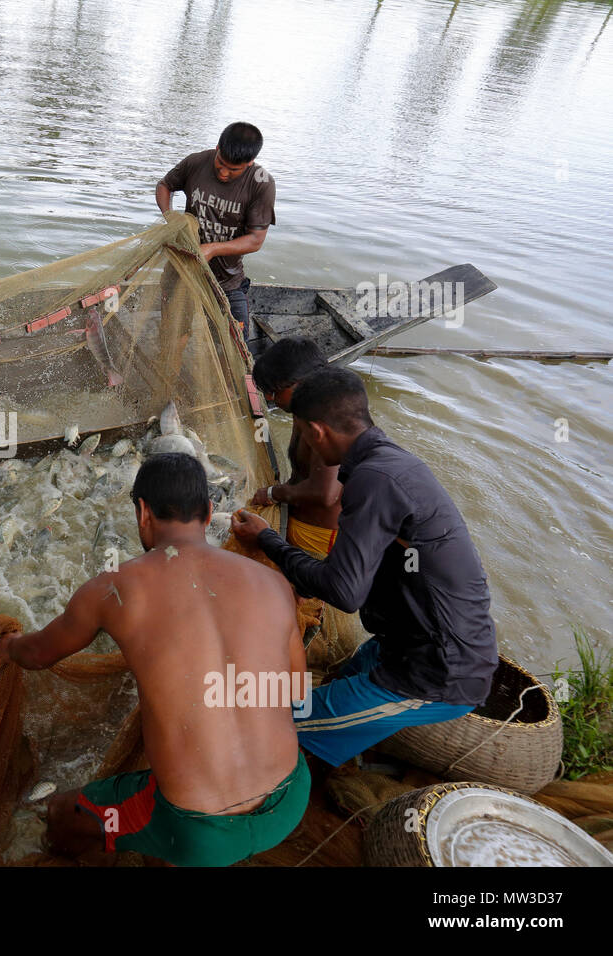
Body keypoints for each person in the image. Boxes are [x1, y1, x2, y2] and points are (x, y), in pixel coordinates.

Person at [0, 454, 310, 866]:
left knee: (60, 814)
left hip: (197, 831)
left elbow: (36, 655)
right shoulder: (273, 582)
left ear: (143, 512)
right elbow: (299, 692)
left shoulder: (111, 588)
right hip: (290, 800)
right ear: (209, 512)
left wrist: (5, 644)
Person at [230, 367, 499, 766]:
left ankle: (296, 767)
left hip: (434, 673)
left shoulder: (374, 479)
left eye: (302, 434)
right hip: (403, 641)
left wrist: (269, 541)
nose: (305, 444)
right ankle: (341, 736)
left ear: (317, 432)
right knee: (336, 681)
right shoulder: (386, 461)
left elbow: (344, 593)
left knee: (272, 724)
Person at [155, 122, 275, 339]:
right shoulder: (197, 161)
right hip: (183, 269)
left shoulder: (261, 183)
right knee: (173, 336)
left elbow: (255, 240)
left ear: (250, 163)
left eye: (233, 170)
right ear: (218, 147)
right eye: (220, 163)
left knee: (235, 346)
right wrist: (170, 216)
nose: (223, 172)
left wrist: (212, 249)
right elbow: (164, 186)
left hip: (227, 280)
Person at [249, 337, 342, 559]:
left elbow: (326, 494)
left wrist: (272, 493)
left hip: (319, 542)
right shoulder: (301, 409)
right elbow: (301, 475)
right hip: (295, 522)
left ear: (302, 382)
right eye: (267, 391)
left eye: (276, 390)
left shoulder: (328, 418)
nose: (270, 398)